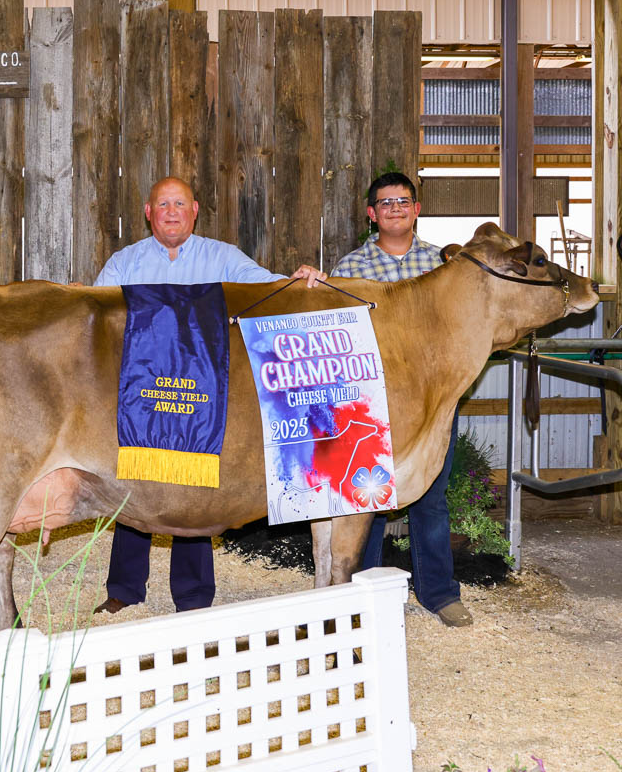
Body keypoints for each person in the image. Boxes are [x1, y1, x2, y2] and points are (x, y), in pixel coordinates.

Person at [94, 177, 327, 615]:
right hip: (138, 395)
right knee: (132, 480)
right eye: (162, 204)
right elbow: (98, 314)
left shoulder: (221, 256)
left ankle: (194, 595)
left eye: (179, 203)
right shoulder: (124, 264)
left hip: (197, 397)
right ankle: (124, 589)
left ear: (194, 210)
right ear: (148, 212)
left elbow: (265, 286)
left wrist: (299, 281)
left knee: (195, 486)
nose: (171, 211)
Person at [330, 171, 472, 628]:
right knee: (365, 500)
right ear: (371, 214)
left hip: (431, 405)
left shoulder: (447, 268)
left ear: (416, 209)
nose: (395, 208)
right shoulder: (348, 270)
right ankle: (365, 595)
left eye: (403, 201)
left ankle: (438, 593)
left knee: (430, 498)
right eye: (385, 202)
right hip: (370, 407)